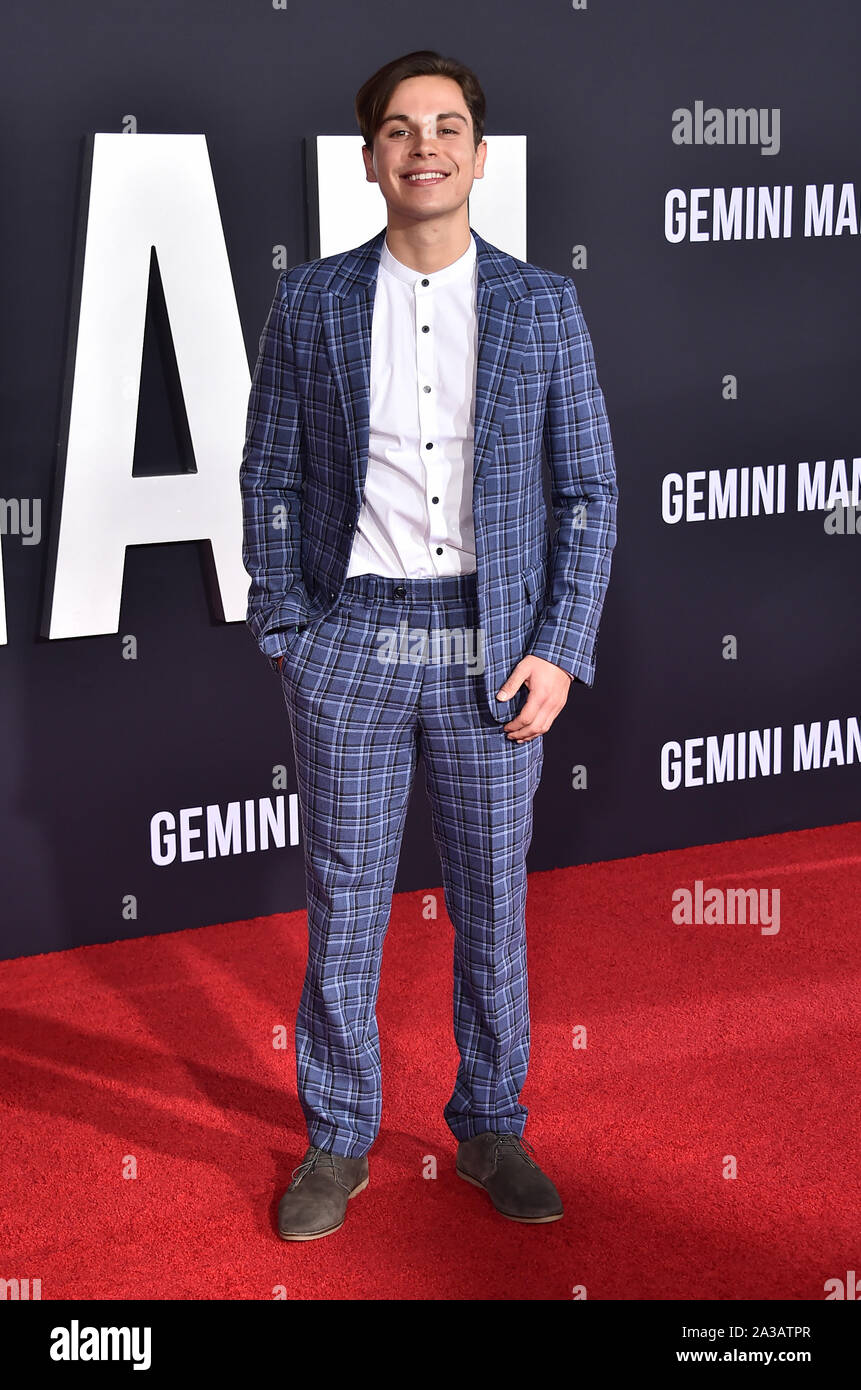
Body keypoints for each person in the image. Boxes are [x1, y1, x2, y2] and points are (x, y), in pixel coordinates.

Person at [240, 49, 618, 1242]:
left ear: (479, 154)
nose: (424, 147)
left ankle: (491, 1122)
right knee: (346, 895)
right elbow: (271, 474)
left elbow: (590, 493)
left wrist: (559, 645)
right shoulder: (310, 300)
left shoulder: (542, 305)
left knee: (493, 900)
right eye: (399, 129)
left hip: (490, 646)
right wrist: (290, 626)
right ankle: (338, 1139)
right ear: (368, 161)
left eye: (446, 126)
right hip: (350, 635)